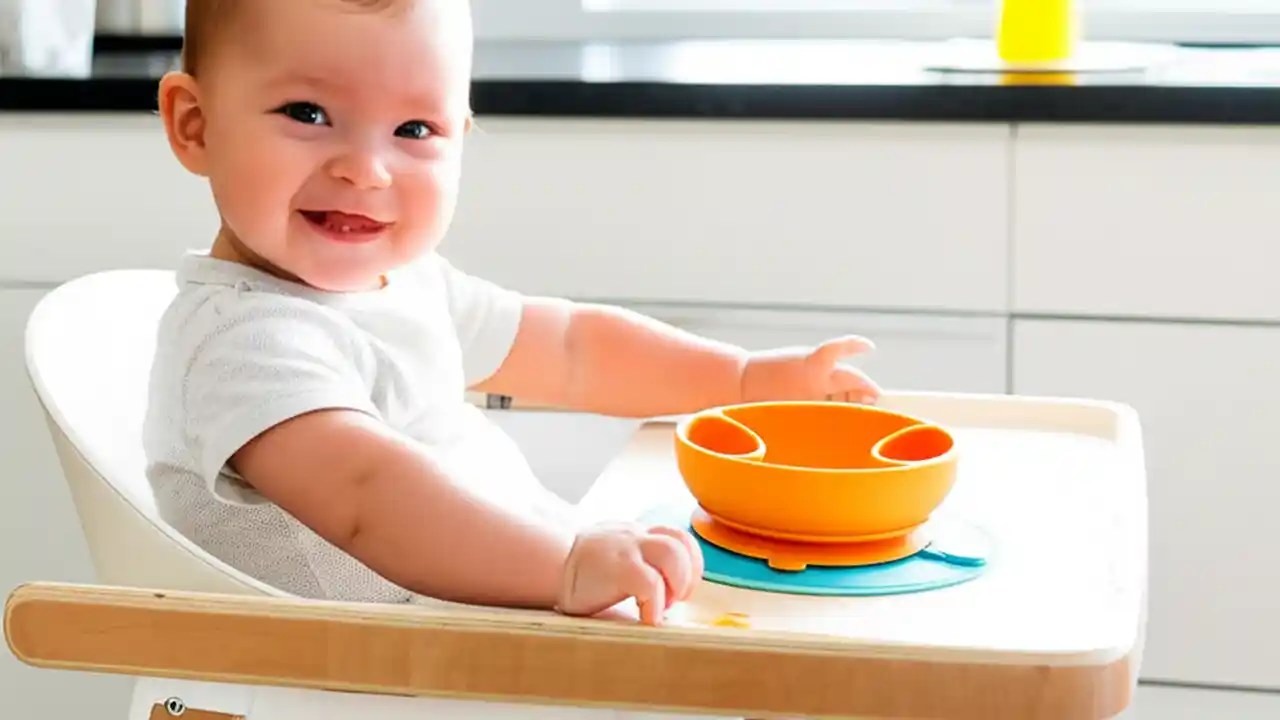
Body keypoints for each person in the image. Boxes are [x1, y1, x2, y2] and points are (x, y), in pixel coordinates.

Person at [143, 0, 881, 626]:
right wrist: (563, 565)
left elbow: (571, 350)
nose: (366, 169)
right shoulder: (245, 342)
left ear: (461, 137)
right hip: (376, 677)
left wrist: (745, 380)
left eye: (414, 131)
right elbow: (368, 498)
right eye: (308, 114)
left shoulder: (404, 283)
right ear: (195, 125)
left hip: (481, 632)